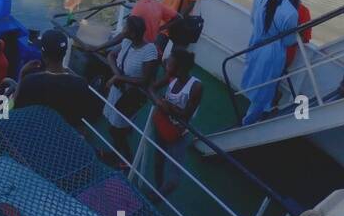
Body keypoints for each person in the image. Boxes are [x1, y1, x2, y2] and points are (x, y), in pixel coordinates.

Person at [240, 0, 303, 125]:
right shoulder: (291, 12)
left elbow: (253, 19)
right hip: (272, 51)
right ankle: (248, 122)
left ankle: (252, 114)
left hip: (255, 42)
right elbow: (288, 41)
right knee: (265, 87)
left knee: (253, 77)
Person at [14, 29, 101, 127]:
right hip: (64, 137)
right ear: (64, 53)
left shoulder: (30, 81)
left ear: (43, 55)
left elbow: (12, 108)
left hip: (35, 132)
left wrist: (21, 76)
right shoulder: (81, 84)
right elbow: (91, 114)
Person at [103, 15, 160, 164]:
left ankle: (125, 159)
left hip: (131, 95)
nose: (123, 30)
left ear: (133, 33)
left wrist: (118, 78)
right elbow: (111, 55)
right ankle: (117, 156)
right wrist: (117, 75)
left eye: (126, 28)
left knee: (116, 130)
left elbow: (144, 80)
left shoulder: (149, 51)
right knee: (114, 126)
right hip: (118, 90)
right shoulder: (127, 42)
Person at [150, 48, 203, 195]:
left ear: (179, 68)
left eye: (170, 64)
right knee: (158, 161)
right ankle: (157, 189)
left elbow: (186, 115)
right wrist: (160, 102)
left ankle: (155, 198)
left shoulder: (196, 87)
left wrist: (167, 106)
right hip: (162, 126)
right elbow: (152, 88)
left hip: (179, 134)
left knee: (174, 179)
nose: (166, 64)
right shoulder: (171, 77)